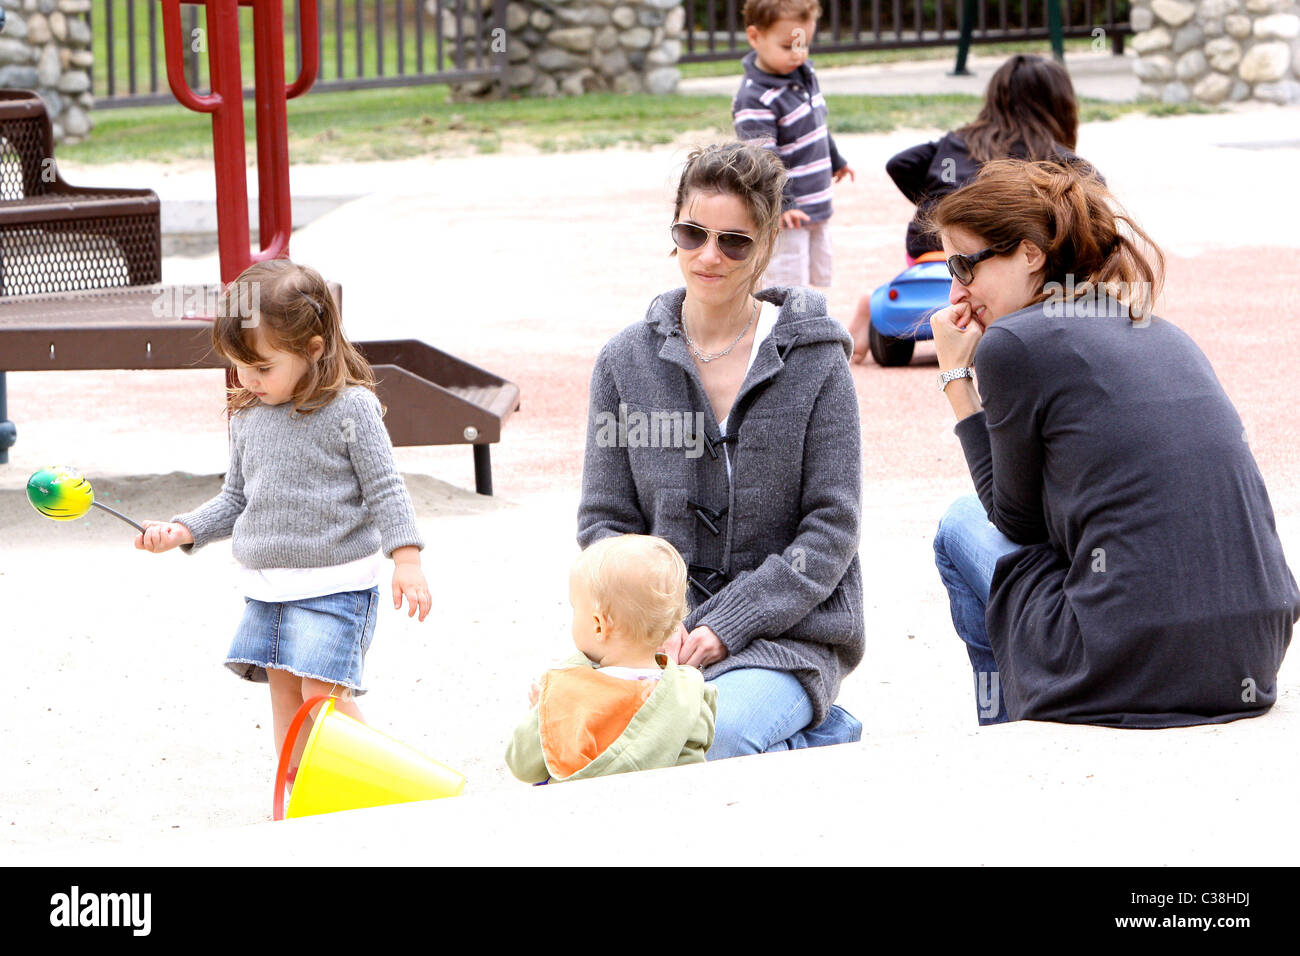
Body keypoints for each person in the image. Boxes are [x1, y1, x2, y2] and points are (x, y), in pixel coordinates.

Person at [927, 158, 1297, 727]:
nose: (957, 290)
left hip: (1125, 660)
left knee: (959, 524)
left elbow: (1014, 522)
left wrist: (957, 379)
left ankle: (1002, 727)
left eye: (964, 266)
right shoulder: (1159, 328)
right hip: (1251, 651)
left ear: (1029, 254)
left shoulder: (1011, 342)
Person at [578, 141, 864, 760]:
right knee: (572, 753)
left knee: (708, 743)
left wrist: (727, 624)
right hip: (651, 639)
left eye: (734, 241)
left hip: (787, 635)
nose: (709, 255)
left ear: (765, 246)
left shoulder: (816, 361)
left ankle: (812, 732)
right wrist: (653, 619)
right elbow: (606, 522)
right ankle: (806, 742)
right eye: (692, 233)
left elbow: (832, 528)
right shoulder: (623, 363)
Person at [133, 258, 432, 785]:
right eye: (239, 367)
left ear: (312, 350)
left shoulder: (351, 409)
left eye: (262, 368)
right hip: (268, 589)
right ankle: (298, 787)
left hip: (336, 586)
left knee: (322, 698)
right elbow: (235, 499)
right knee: (286, 695)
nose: (248, 380)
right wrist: (184, 529)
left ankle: (392, 782)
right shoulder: (248, 417)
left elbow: (386, 488)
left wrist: (406, 559)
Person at [848, 53, 1090, 362]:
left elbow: (900, 163)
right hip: (989, 256)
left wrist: (939, 208)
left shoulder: (959, 140)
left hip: (927, 247)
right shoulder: (1050, 156)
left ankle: (877, 302)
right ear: (1062, 106)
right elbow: (1092, 190)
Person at [505, 534, 718, 784]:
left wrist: (541, 712)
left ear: (598, 625)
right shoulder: (689, 693)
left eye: (575, 608)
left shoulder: (567, 693)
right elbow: (690, 774)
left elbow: (521, 765)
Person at [733, 0, 854, 292]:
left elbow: (816, 125)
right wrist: (783, 203)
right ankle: (781, 333)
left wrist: (836, 160)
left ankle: (808, 325)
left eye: (805, 44)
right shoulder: (756, 98)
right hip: (786, 214)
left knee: (815, 278)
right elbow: (762, 158)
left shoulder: (804, 76)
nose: (799, 54)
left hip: (815, 203)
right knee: (784, 284)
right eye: (788, 46)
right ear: (754, 37)